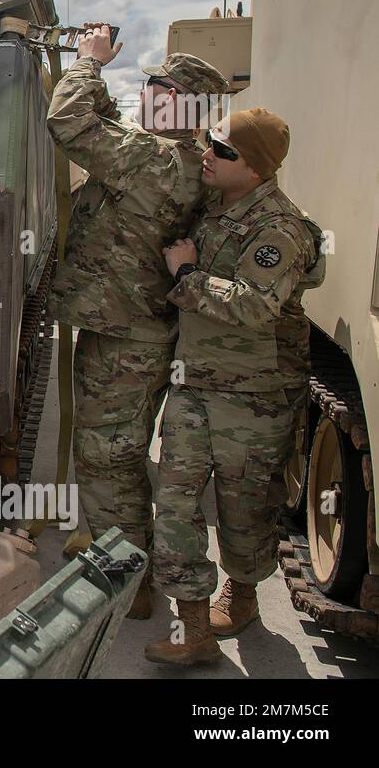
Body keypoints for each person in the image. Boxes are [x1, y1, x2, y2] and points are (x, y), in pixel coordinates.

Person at [46, 26, 229, 619]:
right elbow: (106, 132)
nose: (145, 92)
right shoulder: (178, 158)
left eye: (156, 86)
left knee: (107, 458)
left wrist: (88, 63)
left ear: (178, 101)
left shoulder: (154, 160)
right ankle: (128, 568)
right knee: (117, 452)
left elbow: (70, 124)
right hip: (135, 329)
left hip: (126, 336)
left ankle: (126, 585)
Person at [146, 107, 324, 665]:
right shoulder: (216, 207)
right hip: (195, 384)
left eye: (223, 151)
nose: (209, 155)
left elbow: (253, 306)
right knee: (175, 504)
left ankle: (242, 598)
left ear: (257, 169)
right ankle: (194, 629)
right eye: (210, 142)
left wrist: (186, 274)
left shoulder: (280, 229)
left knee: (244, 514)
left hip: (254, 398)